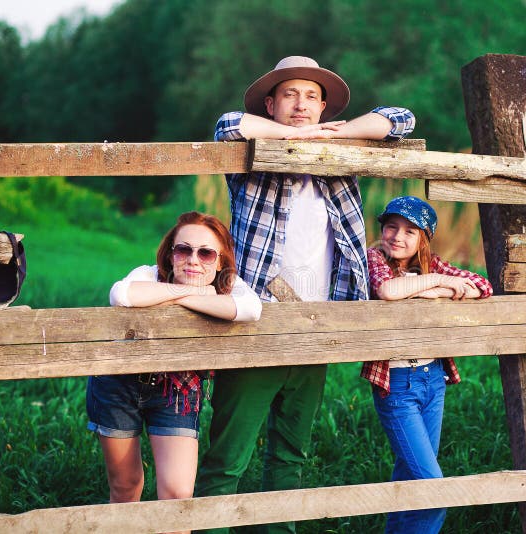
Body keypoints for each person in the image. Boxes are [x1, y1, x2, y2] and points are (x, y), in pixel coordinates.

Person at [195, 56, 415, 533]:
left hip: (320, 325)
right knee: (228, 457)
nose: (301, 105)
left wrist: (337, 134)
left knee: (290, 454)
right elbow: (226, 124)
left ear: (324, 107)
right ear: (271, 105)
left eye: (312, 96)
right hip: (256, 321)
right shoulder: (251, 158)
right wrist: (296, 137)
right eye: (290, 95)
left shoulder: (341, 159)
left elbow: (403, 118)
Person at [86, 212, 262, 517]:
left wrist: (169, 298)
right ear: (171, 254)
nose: (193, 260)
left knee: (178, 496)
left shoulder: (228, 283)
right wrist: (195, 292)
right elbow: (122, 294)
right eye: (184, 250)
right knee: (126, 486)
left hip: (177, 390)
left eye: (206, 253)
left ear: (220, 261)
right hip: (118, 385)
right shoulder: (147, 273)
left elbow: (251, 309)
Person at [361, 196, 493, 534]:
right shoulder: (374, 258)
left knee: (411, 475)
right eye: (392, 227)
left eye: (410, 231)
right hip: (397, 384)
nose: (398, 236)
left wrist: (431, 285)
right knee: (433, 487)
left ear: (424, 238)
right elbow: (388, 290)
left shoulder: (433, 263)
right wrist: (440, 284)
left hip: (433, 380)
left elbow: (482, 286)